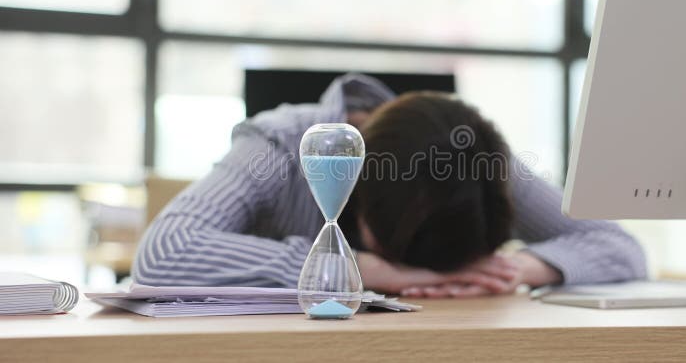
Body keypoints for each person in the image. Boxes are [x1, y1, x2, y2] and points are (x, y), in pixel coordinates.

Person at [132, 74, 647, 298]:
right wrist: (362, 269)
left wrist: (513, 269)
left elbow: (618, 244)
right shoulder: (280, 145)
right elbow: (163, 252)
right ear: (359, 189)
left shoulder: (476, 159)